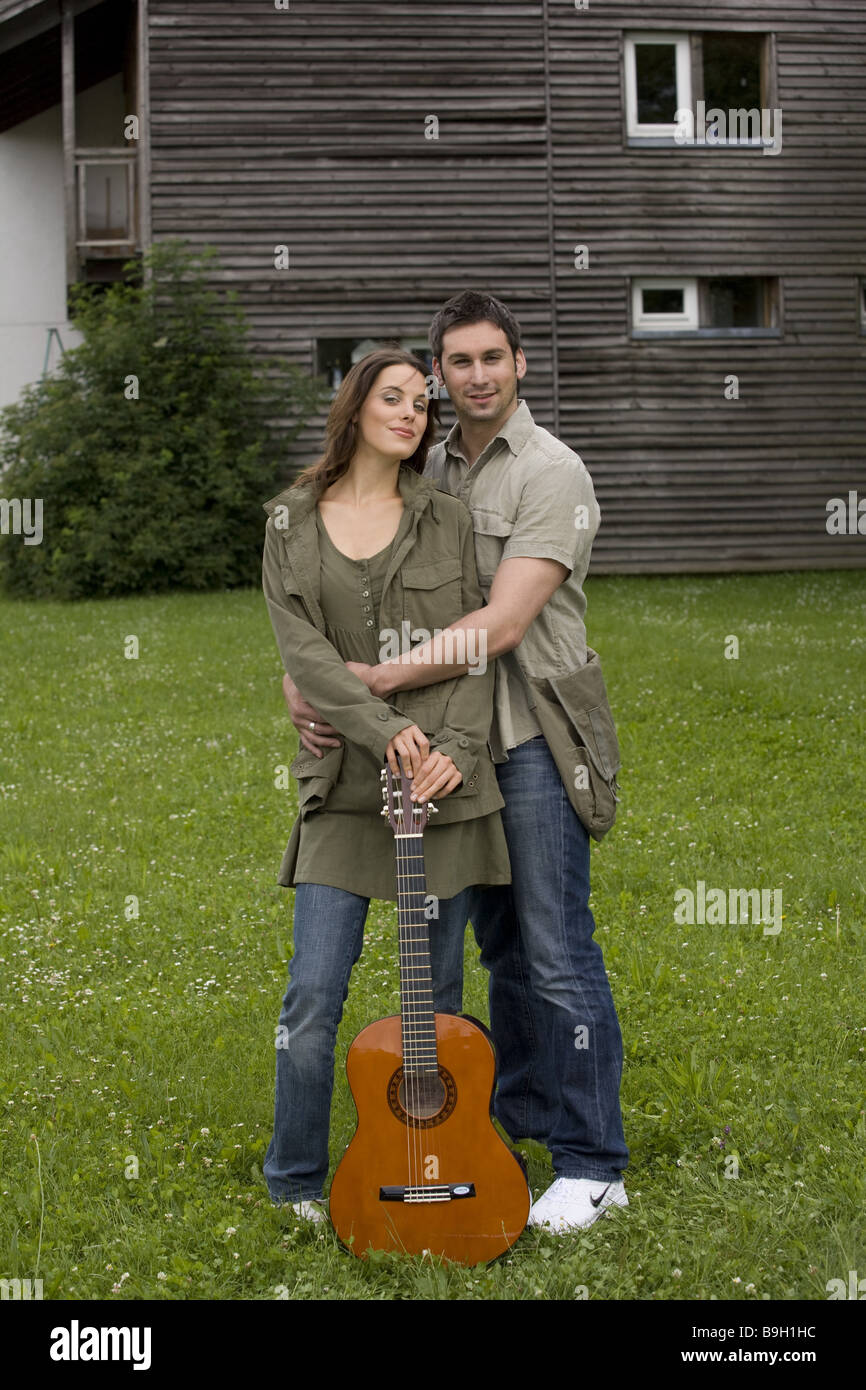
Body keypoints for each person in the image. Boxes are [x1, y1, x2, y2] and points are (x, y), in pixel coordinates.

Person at [285, 295, 629, 1232]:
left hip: (535, 738)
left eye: (492, 358)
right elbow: (340, 586)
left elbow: (503, 625)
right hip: (445, 748)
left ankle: (595, 1161)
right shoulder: (421, 461)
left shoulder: (551, 473)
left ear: (519, 363)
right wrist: (307, 684)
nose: (475, 376)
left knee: (556, 949)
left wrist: (374, 677)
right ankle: (507, 1126)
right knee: (500, 947)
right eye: (459, 363)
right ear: (441, 376)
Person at [260, 347, 510, 1219]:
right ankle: (294, 1180)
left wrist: (453, 752)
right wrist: (388, 730)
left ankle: (435, 1162)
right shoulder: (290, 521)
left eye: (421, 402)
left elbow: (476, 646)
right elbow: (307, 659)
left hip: (437, 791)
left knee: (435, 1007)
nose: (411, 412)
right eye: (393, 397)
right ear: (356, 406)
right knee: (314, 992)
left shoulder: (446, 517)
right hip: (345, 790)